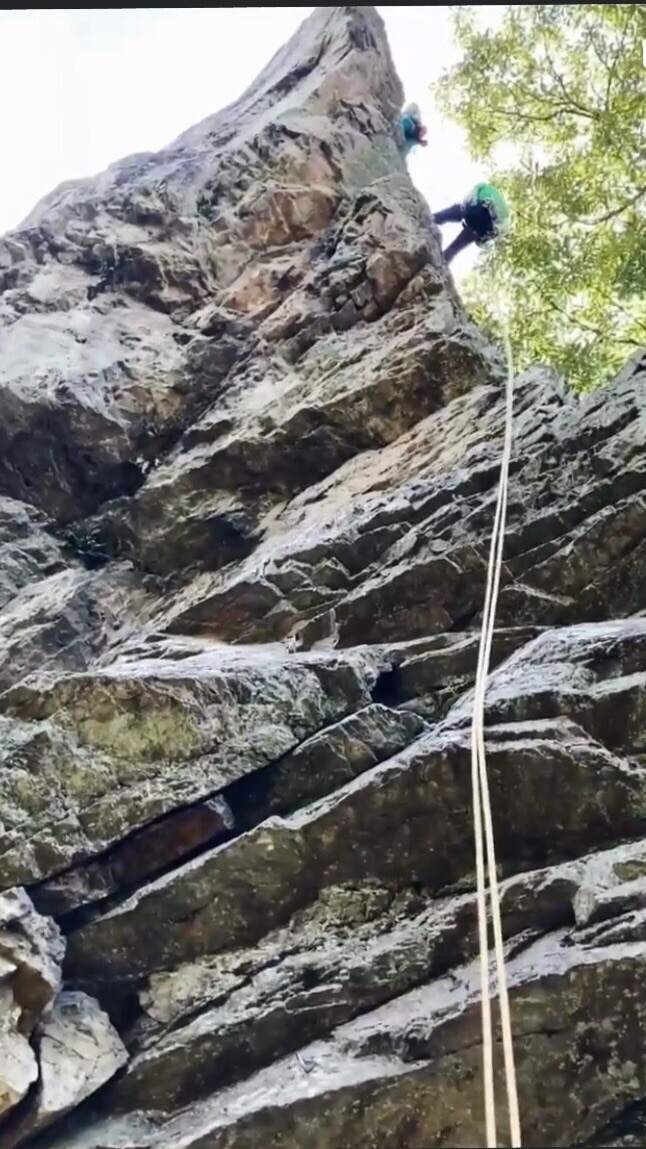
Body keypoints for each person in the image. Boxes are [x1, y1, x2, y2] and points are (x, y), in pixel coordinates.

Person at [434, 182, 510, 265]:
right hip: (484, 224)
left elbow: (467, 200)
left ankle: (434, 219)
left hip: (477, 210)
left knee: (457, 210)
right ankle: (445, 257)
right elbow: (494, 233)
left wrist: (464, 210)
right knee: (466, 238)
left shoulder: (483, 187)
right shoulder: (505, 217)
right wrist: (480, 238)